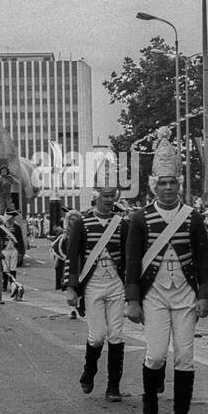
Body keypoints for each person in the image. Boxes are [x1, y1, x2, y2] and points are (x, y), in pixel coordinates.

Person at [124, 127, 208, 414]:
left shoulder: (193, 217)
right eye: (162, 182)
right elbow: (132, 262)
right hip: (155, 295)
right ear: (153, 186)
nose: (167, 188)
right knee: (157, 354)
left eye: (172, 181)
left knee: (185, 356)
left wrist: (204, 295)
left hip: (186, 295)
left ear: (180, 184)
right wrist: (132, 300)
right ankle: (150, 408)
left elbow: (204, 259)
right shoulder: (139, 219)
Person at [65, 160, 130, 401]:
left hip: (115, 283)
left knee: (117, 335)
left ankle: (114, 386)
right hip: (92, 284)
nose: (108, 199)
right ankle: (89, 371)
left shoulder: (122, 224)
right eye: (105, 195)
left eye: (112, 195)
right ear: (96, 196)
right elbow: (73, 256)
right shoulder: (82, 222)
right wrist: (72, 287)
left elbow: (128, 256)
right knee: (97, 335)